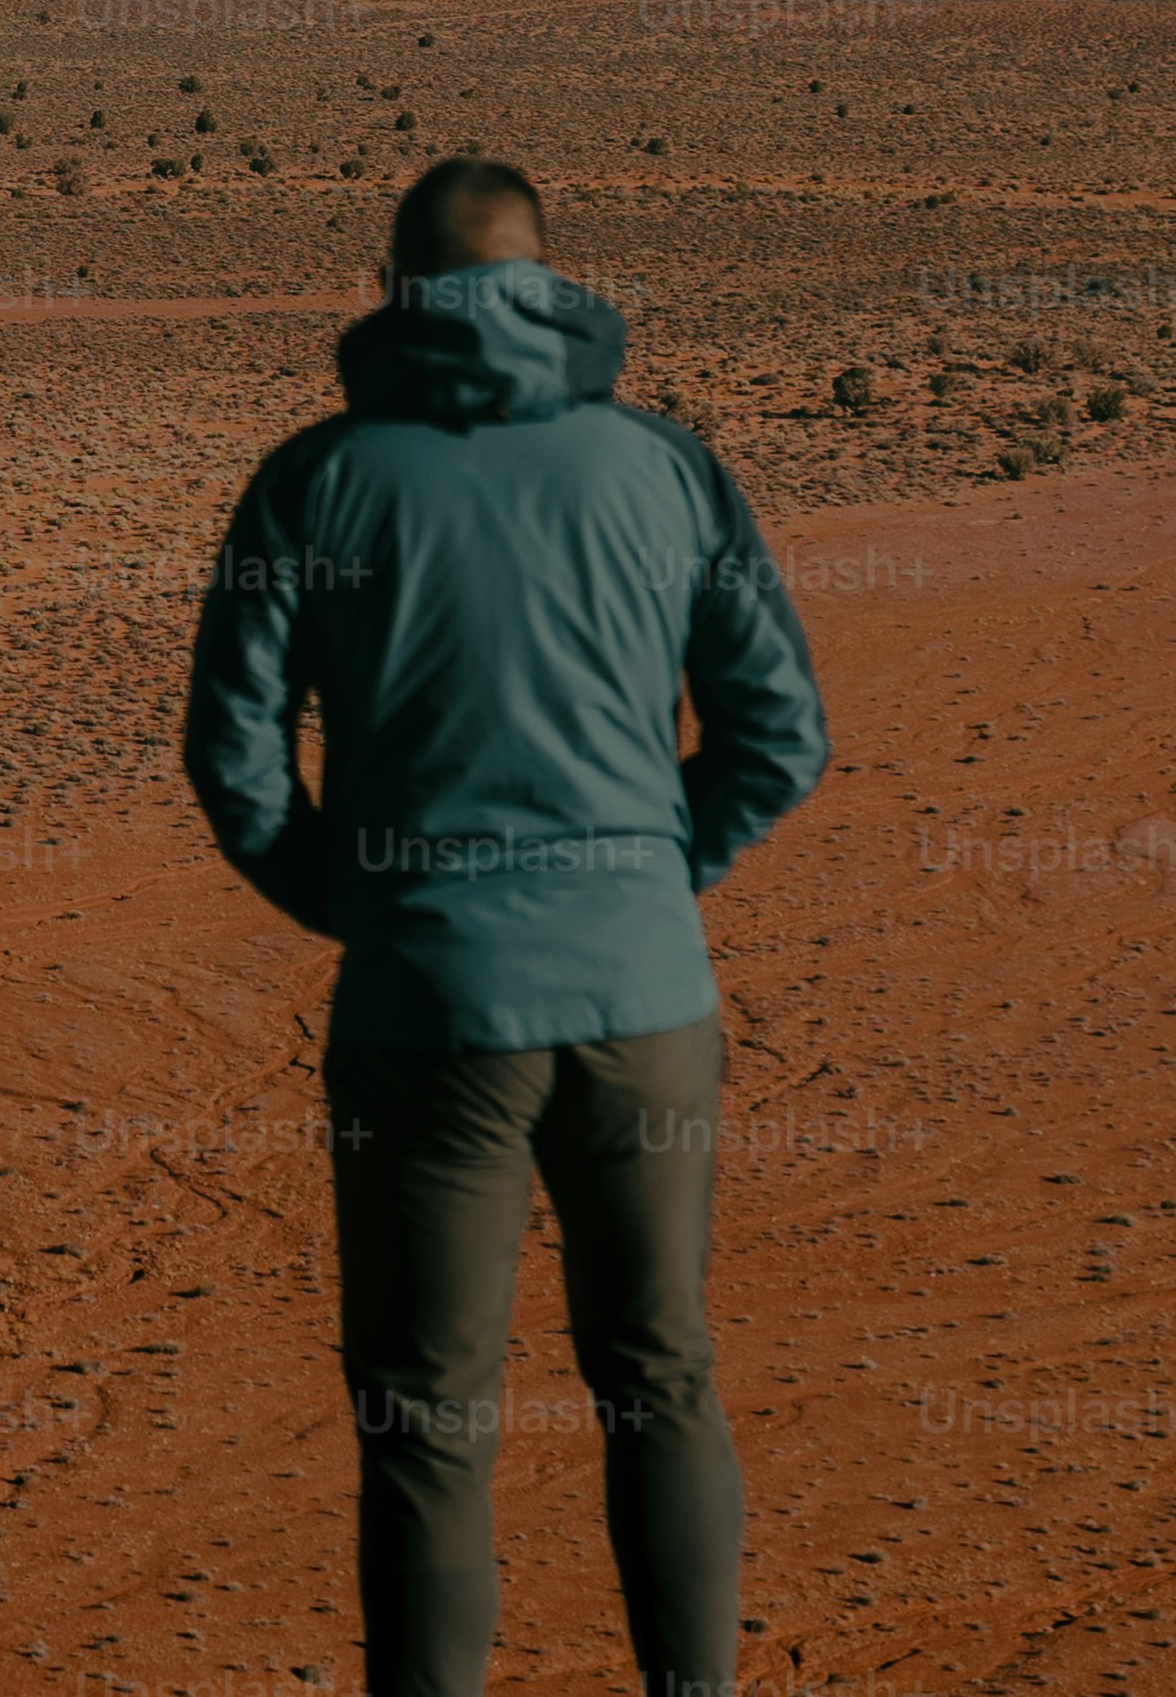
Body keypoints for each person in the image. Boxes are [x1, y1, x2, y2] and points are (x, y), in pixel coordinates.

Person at [181, 156, 831, 1697]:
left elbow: (234, 759)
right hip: (644, 999)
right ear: (547, 279)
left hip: (426, 1008)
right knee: (661, 1378)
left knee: (424, 1419)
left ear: (395, 293)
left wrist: (365, 904)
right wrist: (657, 877)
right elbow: (780, 733)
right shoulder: (664, 469)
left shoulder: (317, 480)